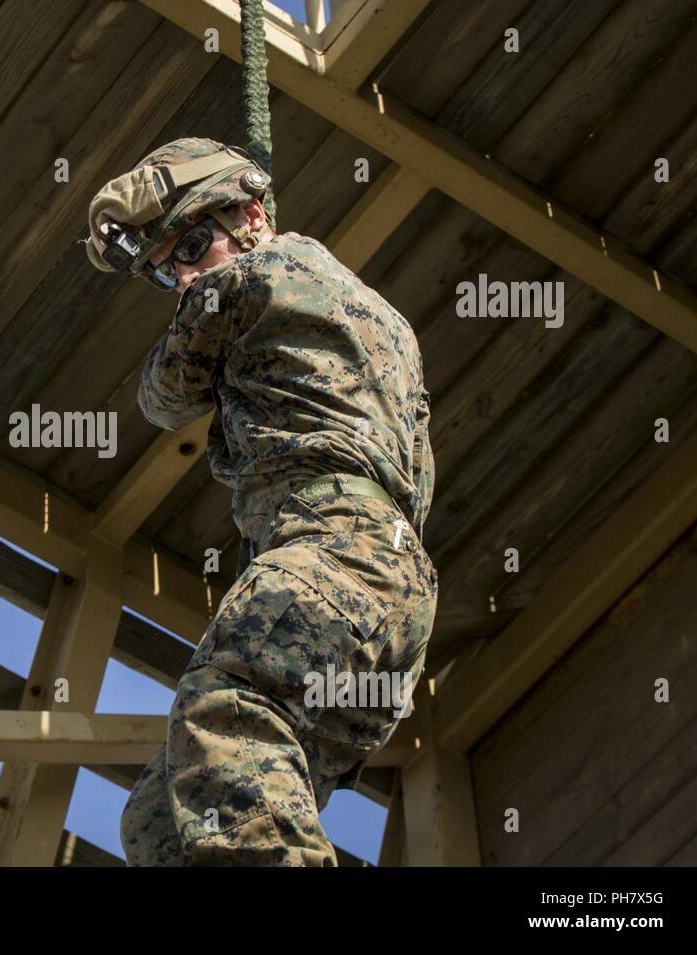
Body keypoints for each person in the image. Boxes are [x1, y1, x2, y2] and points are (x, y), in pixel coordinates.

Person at [85, 137, 438, 865]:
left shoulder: (260, 272)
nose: (183, 277)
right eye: (163, 272)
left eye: (191, 245)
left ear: (250, 215)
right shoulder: (383, 324)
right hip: (388, 592)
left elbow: (164, 395)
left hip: (336, 548)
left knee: (226, 708)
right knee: (158, 820)